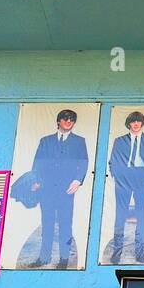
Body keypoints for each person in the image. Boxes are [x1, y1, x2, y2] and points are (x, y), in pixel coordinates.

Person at [28, 109, 89, 268]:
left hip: (66, 189)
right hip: (46, 188)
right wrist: (35, 180)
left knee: (65, 223)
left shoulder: (79, 141)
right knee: (47, 222)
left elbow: (83, 163)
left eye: (71, 120)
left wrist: (77, 180)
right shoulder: (45, 141)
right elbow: (38, 162)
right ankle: (44, 258)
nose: (68, 122)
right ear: (58, 121)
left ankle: (64, 259)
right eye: (65, 119)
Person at [107, 111, 144, 262]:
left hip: (141, 178)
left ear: (142, 123)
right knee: (120, 215)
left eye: (139, 121)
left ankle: (139, 252)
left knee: (141, 215)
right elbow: (113, 160)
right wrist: (116, 175)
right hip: (123, 178)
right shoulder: (119, 140)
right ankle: (117, 252)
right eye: (133, 121)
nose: (136, 124)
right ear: (129, 124)